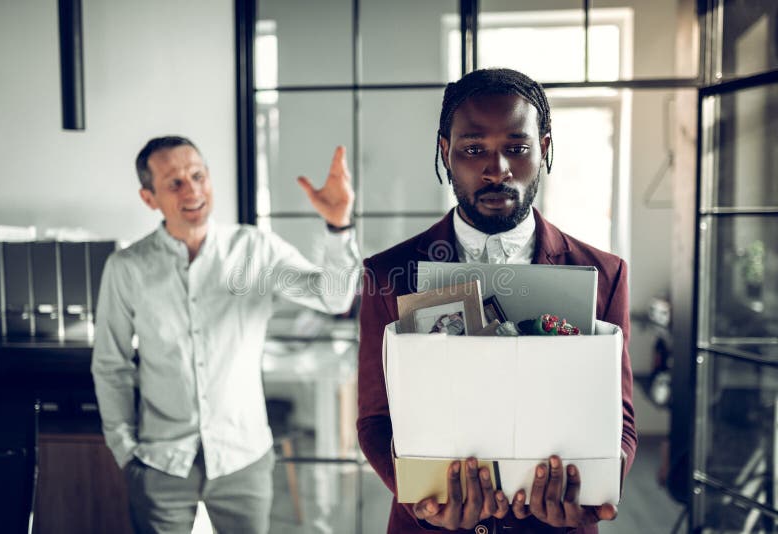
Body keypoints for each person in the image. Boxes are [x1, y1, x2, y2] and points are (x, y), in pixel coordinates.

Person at [357, 68, 637, 533]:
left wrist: (592, 491)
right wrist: (422, 504)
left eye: (517, 148)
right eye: (473, 149)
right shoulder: (388, 275)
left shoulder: (606, 274)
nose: (497, 169)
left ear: (544, 150)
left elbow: (620, 419)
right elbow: (374, 419)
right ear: (445, 152)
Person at [91, 136, 360, 534]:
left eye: (198, 176)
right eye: (175, 183)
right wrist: (125, 451)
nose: (193, 190)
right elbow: (111, 364)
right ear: (149, 197)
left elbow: (334, 299)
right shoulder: (127, 268)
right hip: (161, 461)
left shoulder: (256, 250)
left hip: (242, 457)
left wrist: (338, 226)